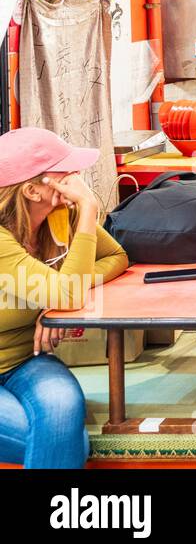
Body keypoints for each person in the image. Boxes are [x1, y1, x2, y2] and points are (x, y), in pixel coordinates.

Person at [0, 128, 128, 469]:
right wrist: (88, 208)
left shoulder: (60, 216)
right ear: (31, 190)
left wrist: (51, 299)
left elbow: (116, 256)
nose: (76, 178)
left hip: (27, 362)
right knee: (66, 441)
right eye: (64, 172)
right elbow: (69, 292)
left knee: (61, 418)